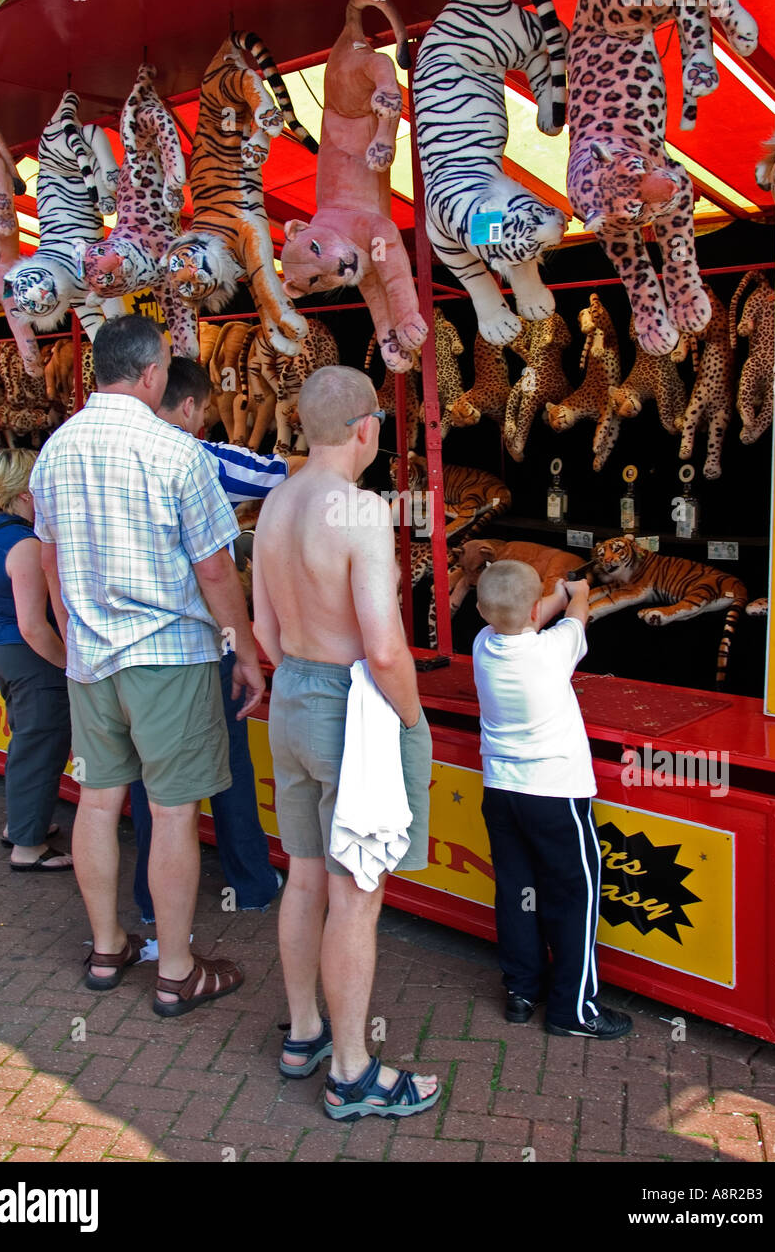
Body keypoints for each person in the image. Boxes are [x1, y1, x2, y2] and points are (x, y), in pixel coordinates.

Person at [30, 316, 265, 1017]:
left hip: (92, 659)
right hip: (169, 656)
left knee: (98, 804)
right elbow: (216, 572)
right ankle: (178, 972)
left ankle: (107, 950)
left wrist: (74, 630)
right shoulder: (177, 452)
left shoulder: (55, 449)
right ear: (153, 374)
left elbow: (49, 559)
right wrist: (245, 651)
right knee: (171, 815)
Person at [252, 364, 439, 1121]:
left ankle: (305, 1036)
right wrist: (413, 718)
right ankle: (354, 1072)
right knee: (356, 895)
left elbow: (263, 628)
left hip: (291, 691)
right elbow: (387, 649)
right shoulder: (360, 512)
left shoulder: (274, 503)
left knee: (303, 875)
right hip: (351, 706)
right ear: (367, 429)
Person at [130, 357, 290, 918]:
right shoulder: (193, 453)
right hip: (196, 643)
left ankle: (151, 902)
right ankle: (248, 882)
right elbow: (273, 473)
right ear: (194, 407)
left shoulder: (85, 449)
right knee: (226, 764)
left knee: (149, 777)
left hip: (119, 650)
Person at [472, 561, 632, 1040]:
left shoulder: (483, 646)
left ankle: (522, 991)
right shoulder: (555, 649)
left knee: (517, 894)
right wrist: (578, 591)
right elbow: (575, 618)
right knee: (573, 898)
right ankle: (573, 1010)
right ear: (539, 607)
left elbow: (524, 617)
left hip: (501, 794)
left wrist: (554, 595)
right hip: (555, 796)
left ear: (480, 611)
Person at [0, 449, 73, 872]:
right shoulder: (25, 544)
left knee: (25, 741)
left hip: (0, 647)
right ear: (26, 492)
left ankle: (21, 824)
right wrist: (70, 665)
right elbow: (34, 625)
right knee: (42, 744)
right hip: (29, 656)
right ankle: (28, 847)